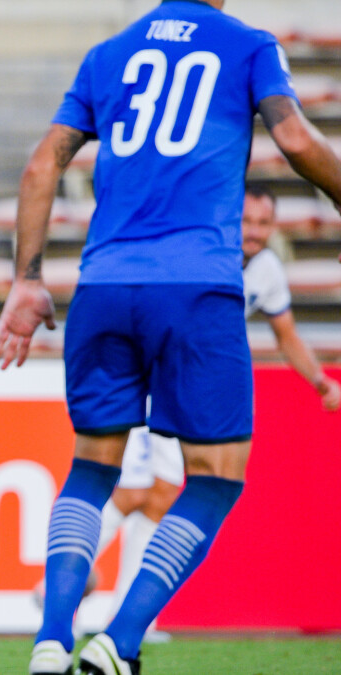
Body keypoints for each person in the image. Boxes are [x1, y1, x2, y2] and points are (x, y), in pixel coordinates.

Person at [0, 1, 341, 673]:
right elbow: (294, 139)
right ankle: (117, 643)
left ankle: (51, 640)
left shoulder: (109, 52)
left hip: (103, 283)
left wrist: (28, 279)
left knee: (91, 467)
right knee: (216, 478)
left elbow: (41, 165)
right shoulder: (247, 45)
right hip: (196, 285)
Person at [84, 183, 341, 640]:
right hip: (151, 376)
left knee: (157, 495)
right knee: (145, 491)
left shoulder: (265, 270)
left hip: (192, 383)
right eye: (247, 221)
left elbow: (286, 336)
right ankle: (69, 582)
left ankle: (120, 614)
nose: (255, 232)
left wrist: (319, 380)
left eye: (264, 223)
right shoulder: (197, 251)